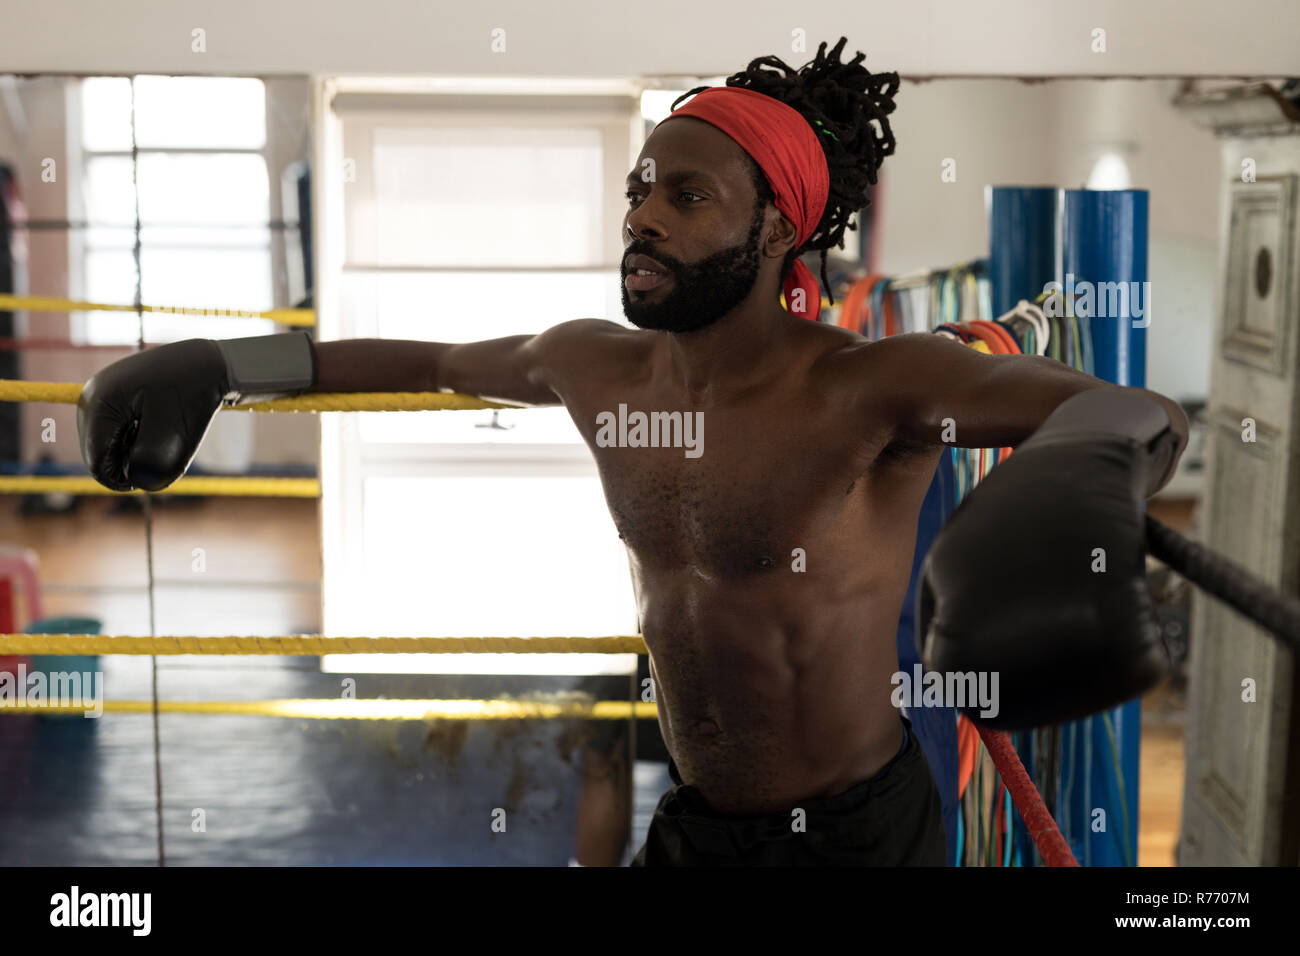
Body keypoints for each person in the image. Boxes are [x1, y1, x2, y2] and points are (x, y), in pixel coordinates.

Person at [77, 37, 1187, 866]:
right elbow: (429, 359)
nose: (642, 215)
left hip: (855, 831)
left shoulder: (869, 383)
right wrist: (224, 363)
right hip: (698, 823)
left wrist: (1072, 493)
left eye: (685, 195)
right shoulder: (596, 365)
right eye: (638, 189)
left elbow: (1116, 407)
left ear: (774, 231)